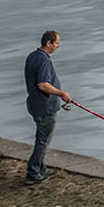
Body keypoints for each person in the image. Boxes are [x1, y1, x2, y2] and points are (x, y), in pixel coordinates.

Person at [22, 30, 73, 186]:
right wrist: (62, 93)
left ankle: (41, 168)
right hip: (45, 107)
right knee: (43, 141)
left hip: (35, 104)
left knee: (42, 138)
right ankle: (33, 173)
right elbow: (43, 85)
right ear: (48, 43)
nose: (58, 46)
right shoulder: (44, 61)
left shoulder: (33, 56)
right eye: (56, 43)